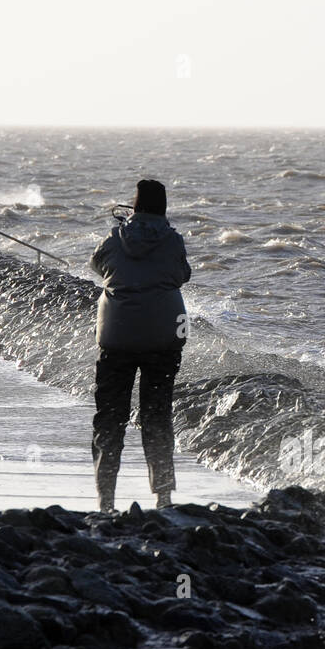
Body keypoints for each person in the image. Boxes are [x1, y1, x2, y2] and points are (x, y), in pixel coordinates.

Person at [90, 179, 191, 511]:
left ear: (134, 206)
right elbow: (181, 275)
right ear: (163, 209)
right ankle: (163, 495)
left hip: (117, 337)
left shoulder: (115, 238)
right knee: (157, 415)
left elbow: (97, 265)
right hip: (164, 337)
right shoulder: (173, 240)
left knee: (109, 417)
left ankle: (106, 498)